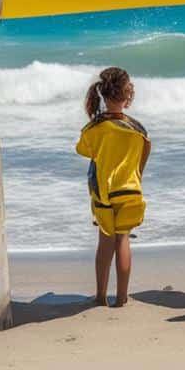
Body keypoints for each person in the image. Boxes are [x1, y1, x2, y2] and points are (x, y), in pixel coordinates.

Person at [75, 67, 150, 307]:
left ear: (103, 95)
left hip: (105, 194)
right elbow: (145, 151)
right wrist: (136, 174)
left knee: (105, 241)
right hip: (131, 190)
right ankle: (122, 297)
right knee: (123, 240)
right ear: (128, 95)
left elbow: (83, 149)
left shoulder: (95, 128)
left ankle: (100, 296)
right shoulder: (138, 130)